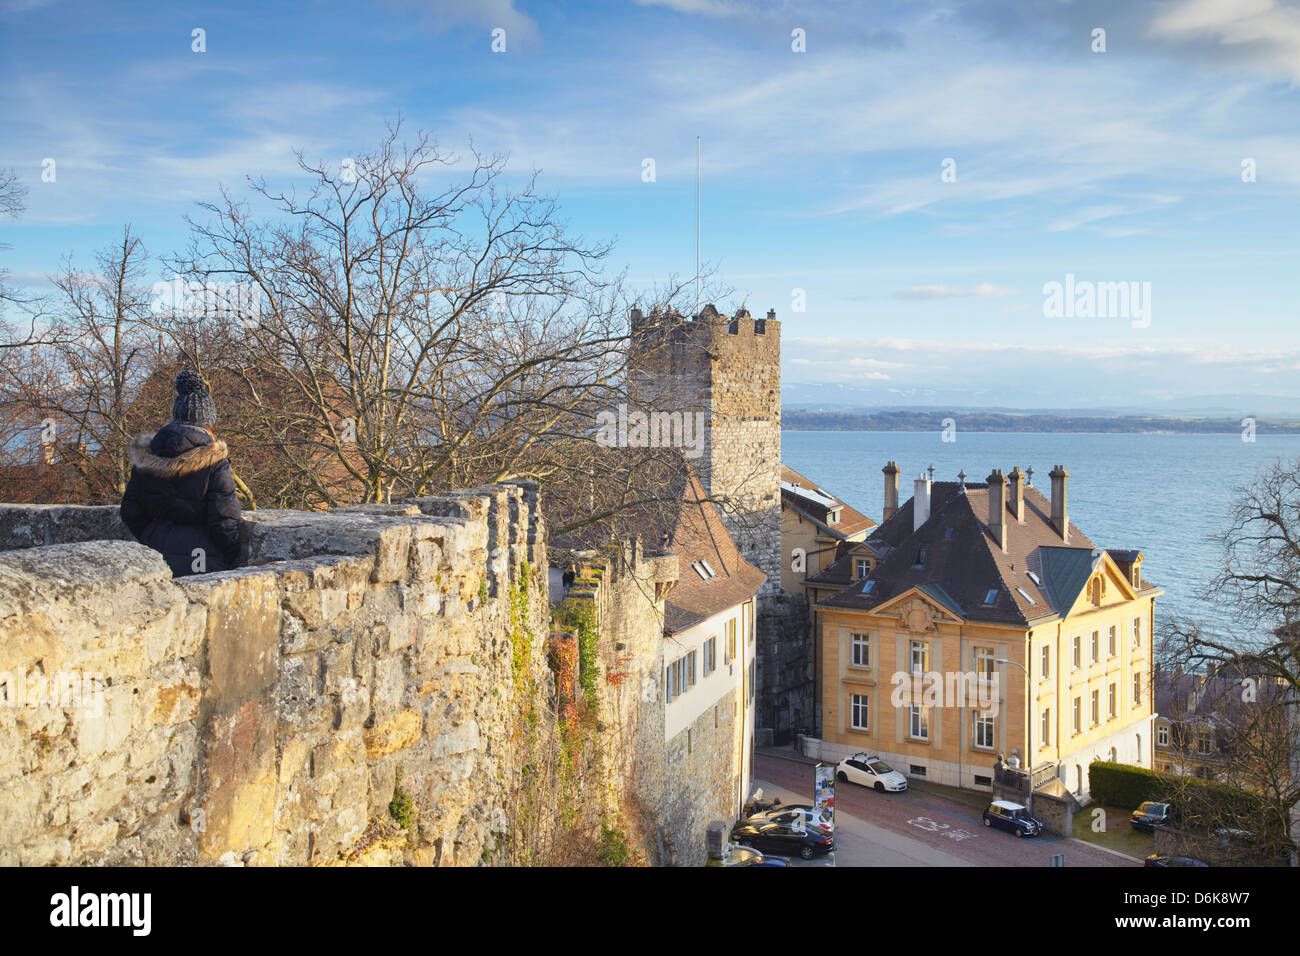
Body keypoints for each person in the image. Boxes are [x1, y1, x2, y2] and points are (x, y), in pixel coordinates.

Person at [120, 370, 242, 578]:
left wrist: (152, 536)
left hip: (153, 557)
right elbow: (224, 520)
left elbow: (130, 511)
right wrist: (231, 554)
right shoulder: (214, 462)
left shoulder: (148, 456)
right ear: (209, 424)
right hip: (203, 558)